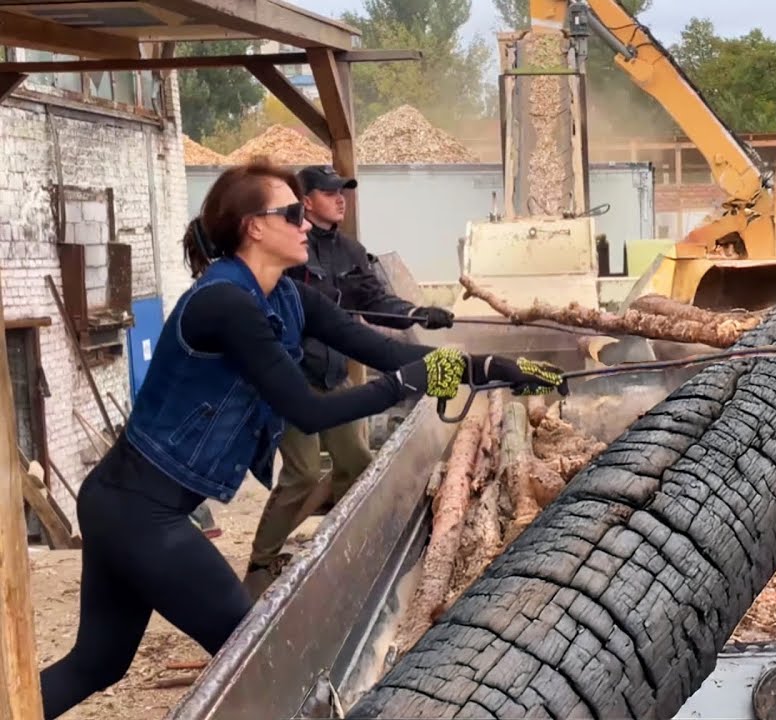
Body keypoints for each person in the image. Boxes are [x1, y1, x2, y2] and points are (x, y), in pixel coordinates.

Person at [37, 158, 566, 720]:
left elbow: (383, 351)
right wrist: (402, 387)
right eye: (291, 213)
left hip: (125, 504)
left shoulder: (288, 296)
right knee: (263, 661)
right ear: (253, 227)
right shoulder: (225, 304)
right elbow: (307, 411)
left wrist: (487, 366)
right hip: (140, 513)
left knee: (98, 664)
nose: (306, 223)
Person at [242, 164, 456, 599]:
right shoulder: (288, 256)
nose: (341, 198)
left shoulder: (349, 251)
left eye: (343, 191)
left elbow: (376, 301)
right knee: (302, 474)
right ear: (306, 200)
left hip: (334, 372)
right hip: (290, 380)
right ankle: (261, 563)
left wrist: (418, 314)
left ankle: (342, 552)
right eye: (330, 191)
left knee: (357, 463)